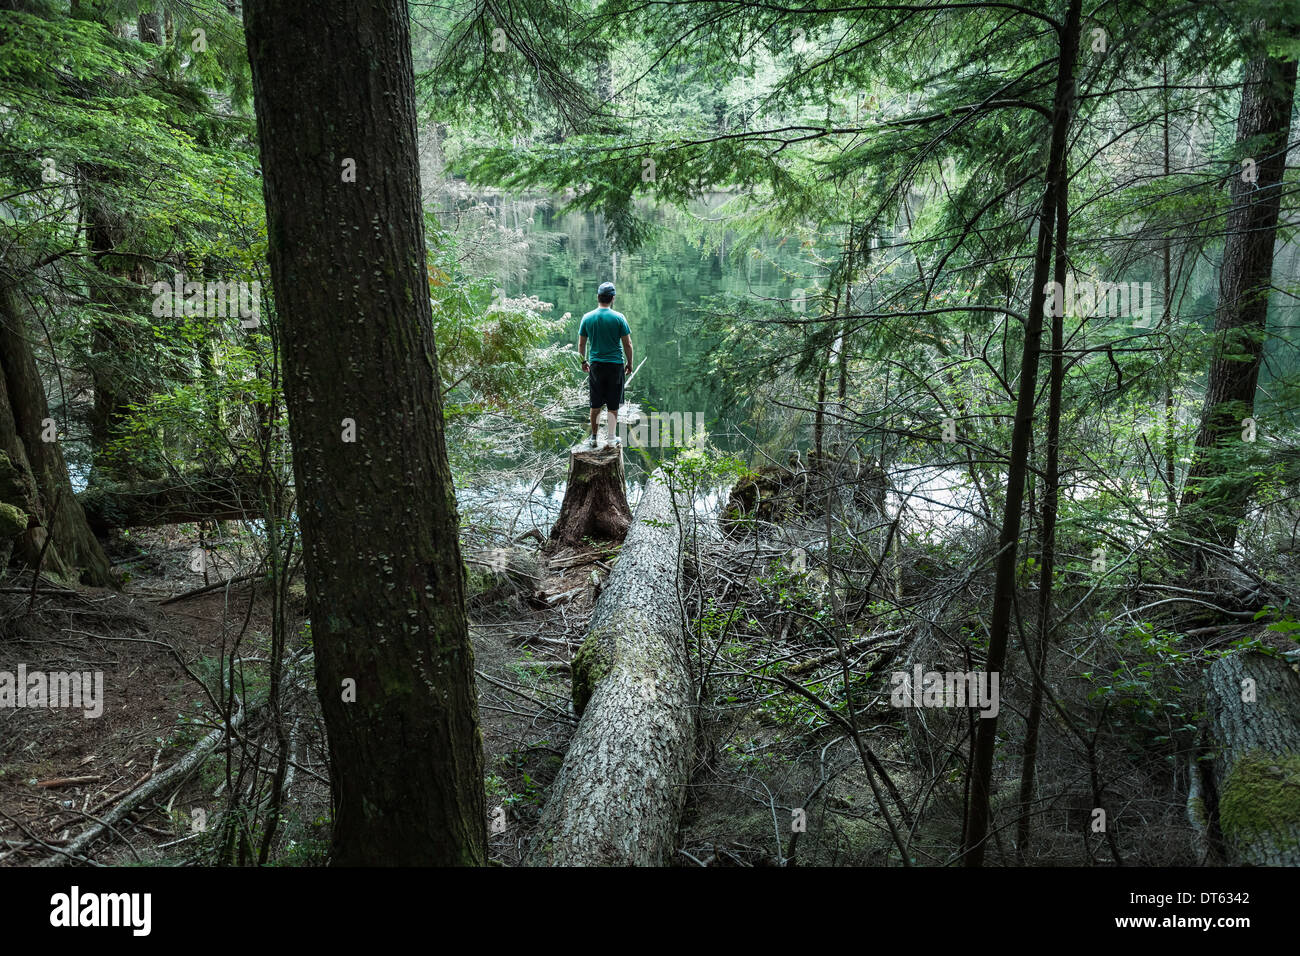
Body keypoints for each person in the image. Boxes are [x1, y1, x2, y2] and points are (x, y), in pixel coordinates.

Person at [578, 281, 633, 446]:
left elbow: (581, 344)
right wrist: (630, 363)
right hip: (615, 366)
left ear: (598, 297)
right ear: (613, 298)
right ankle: (611, 437)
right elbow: (627, 344)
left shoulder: (587, 317)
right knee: (613, 404)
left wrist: (583, 361)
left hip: (595, 366)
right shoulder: (619, 318)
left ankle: (594, 438)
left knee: (595, 403)